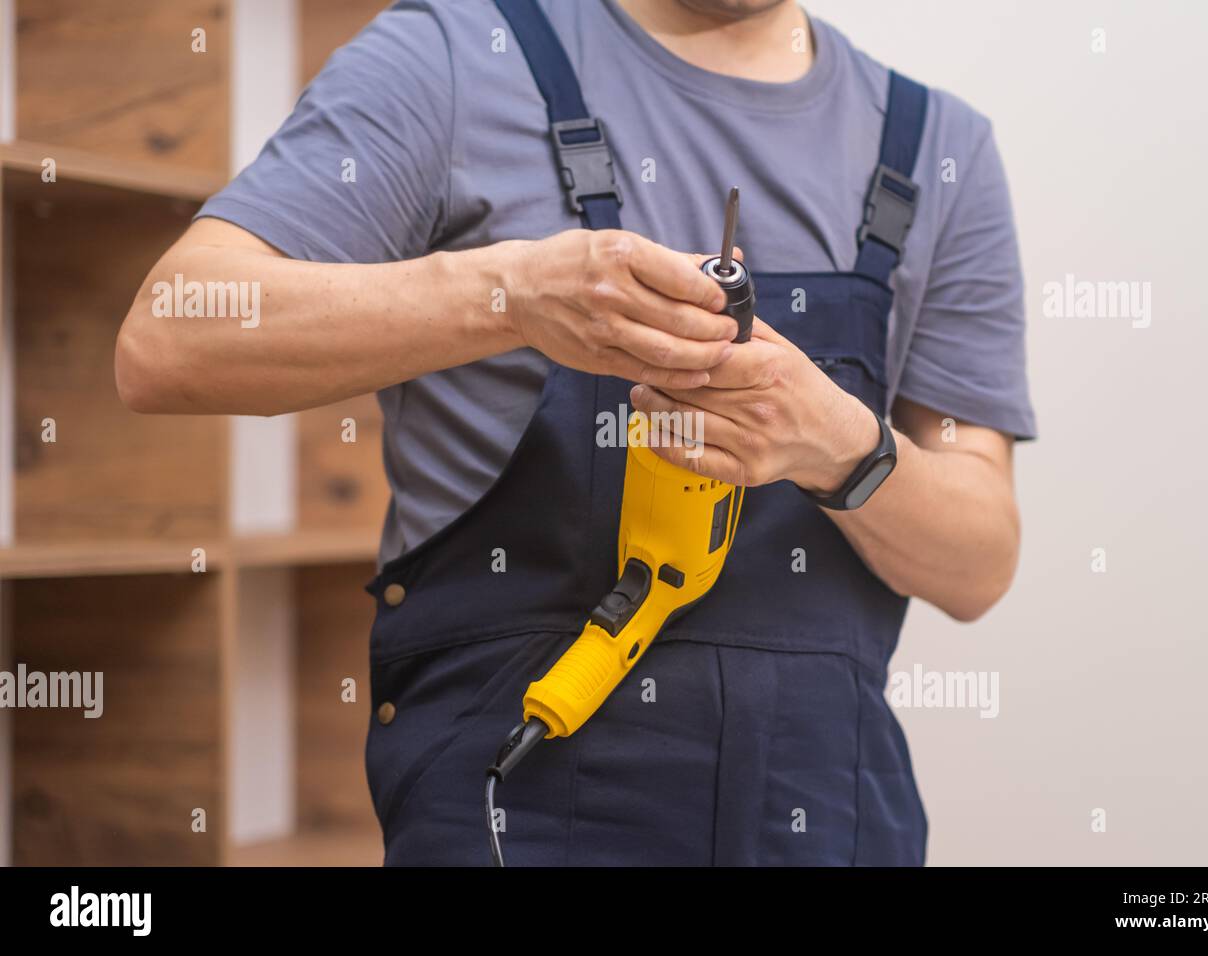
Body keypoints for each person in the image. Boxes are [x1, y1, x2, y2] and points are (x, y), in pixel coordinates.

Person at [116, 0, 1036, 865]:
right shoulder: (458, 55)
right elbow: (168, 338)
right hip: (510, 809)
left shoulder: (934, 148)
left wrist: (840, 445)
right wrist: (507, 295)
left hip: (827, 819)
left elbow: (978, 563)